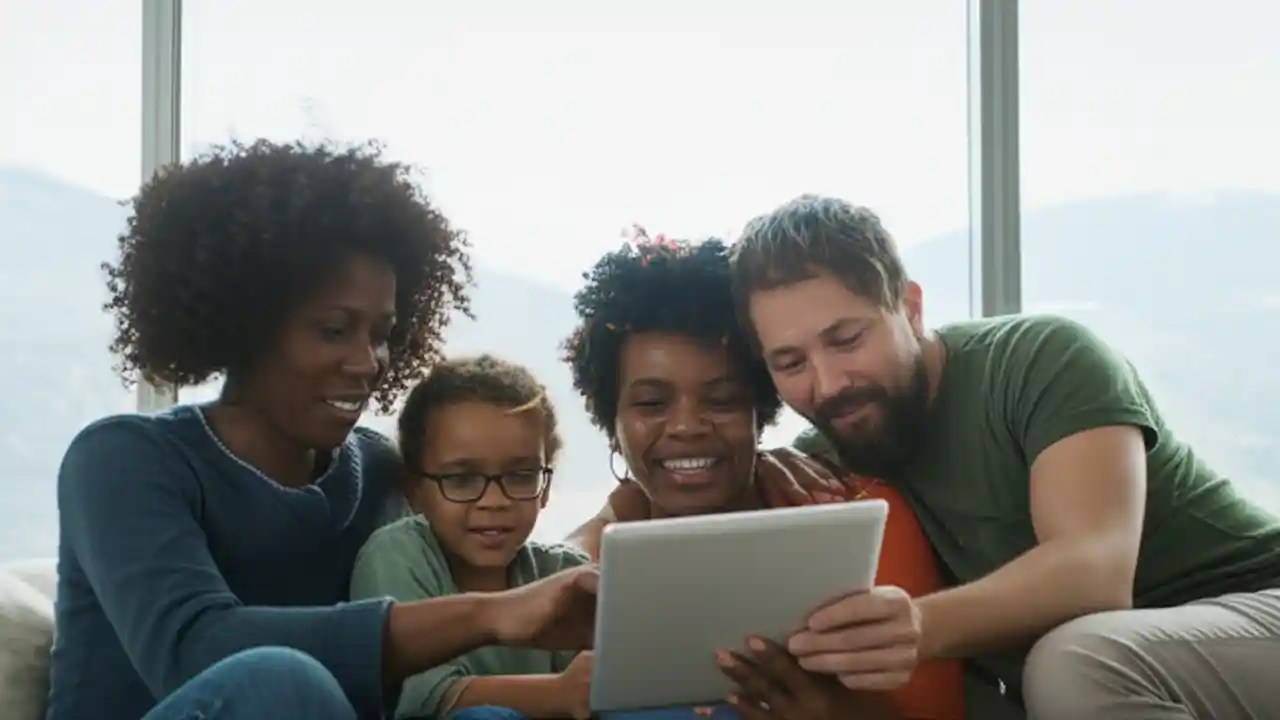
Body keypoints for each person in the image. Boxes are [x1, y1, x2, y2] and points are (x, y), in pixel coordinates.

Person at [48, 139, 599, 720]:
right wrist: (490, 615)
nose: (368, 362)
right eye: (335, 330)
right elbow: (195, 650)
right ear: (247, 325)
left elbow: (494, 550)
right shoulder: (123, 462)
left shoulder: (380, 474)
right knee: (279, 679)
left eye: (382, 332)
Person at [727, 194, 1280, 720]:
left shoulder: (1043, 358)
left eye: (846, 340)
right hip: (1116, 681)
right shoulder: (821, 459)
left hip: (1257, 605)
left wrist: (919, 623)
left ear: (911, 308)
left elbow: (1095, 575)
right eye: (791, 363)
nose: (828, 385)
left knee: (1075, 662)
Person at [563, 233, 964, 720]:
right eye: (651, 404)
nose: (688, 426)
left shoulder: (850, 513)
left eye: (722, 400)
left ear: (761, 409)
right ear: (613, 422)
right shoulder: (593, 559)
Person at [350, 355, 595, 719]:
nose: (494, 501)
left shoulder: (565, 573)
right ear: (414, 489)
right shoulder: (397, 555)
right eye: (461, 479)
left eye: (521, 476)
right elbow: (425, 699)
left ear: (545, 487)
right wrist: (561, 692)